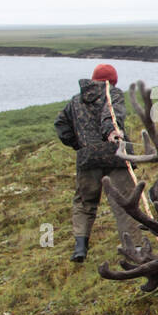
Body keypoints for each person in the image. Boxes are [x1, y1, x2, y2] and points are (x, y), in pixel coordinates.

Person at [53, 64, 145, 263]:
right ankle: (135, 248)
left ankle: (80, 248)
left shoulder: (75, 101)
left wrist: (80, 145)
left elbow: (61, 125)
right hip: (116, 156)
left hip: (88, 159)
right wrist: (112, 132)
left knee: (85, 202)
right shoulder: (113, 93)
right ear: (112, 81)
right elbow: (112, 115)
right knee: (125, 202)